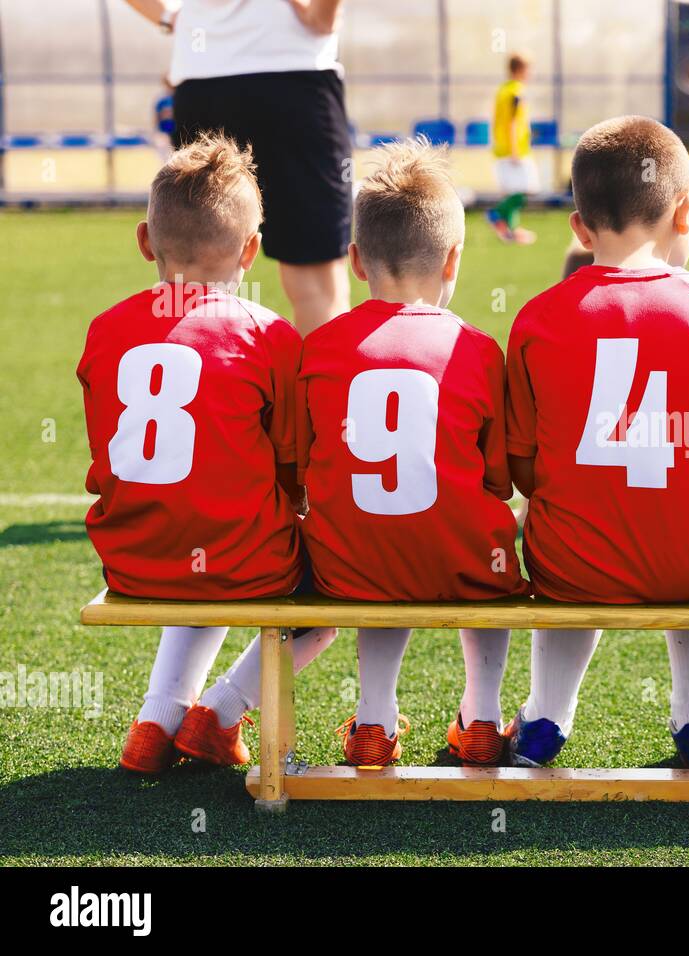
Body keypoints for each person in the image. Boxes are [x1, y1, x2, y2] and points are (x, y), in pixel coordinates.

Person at [503, 116, 689, 769]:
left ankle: (545, 719)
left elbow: (526, 472)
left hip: (572, 565)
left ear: (581, 229)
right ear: (683, 212)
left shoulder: (537, 317)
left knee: (569, 518)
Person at [79, 134, 337, 774]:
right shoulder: (268, 333)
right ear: (253, 249)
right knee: (336, 578)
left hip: (133, 560)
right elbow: (292, 469)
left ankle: (154, 721)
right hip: (235, 561)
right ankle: (222, 711)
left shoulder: (107, 327)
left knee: (211, 533)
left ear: (145, 241)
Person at [286, 140, 529, 767]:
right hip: (462, 563)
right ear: (453, 260)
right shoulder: (476, 348)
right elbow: (499, 481)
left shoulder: (320, 347)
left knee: (375, 540)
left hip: (348, 566)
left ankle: (372, 721)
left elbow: (305, 467)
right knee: (490, 538)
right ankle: (482, 716)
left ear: (357, 260)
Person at [124, 0, 352, 334]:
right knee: (316, 285)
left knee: (190, 280)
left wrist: (171, 19)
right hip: (294, 77)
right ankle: (319, 387)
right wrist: (322, 15)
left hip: (204, 83)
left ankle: (196, 385)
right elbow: (320, 19)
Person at [488, 53, 540, 244]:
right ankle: (496, 214)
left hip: (503, 147)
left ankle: (512, 231)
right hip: (514, 149)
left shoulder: (503, 89)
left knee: (514, 192)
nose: (531, 73)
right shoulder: (516, 92)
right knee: (525, 189)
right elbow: (511, 122)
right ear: (519, 70)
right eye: (528, 69)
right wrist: (515, 149)